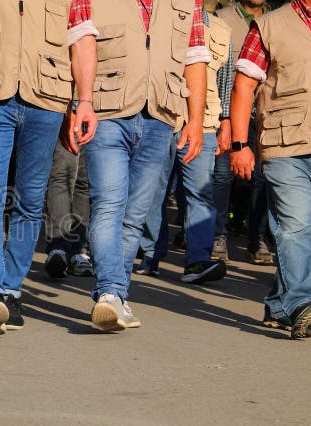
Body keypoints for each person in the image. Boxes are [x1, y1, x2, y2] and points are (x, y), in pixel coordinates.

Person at [0, 0, 98, 336]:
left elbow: (81, 39)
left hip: (46, 99)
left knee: (30, 201)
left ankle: (12, 290)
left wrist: (84, 100)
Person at [85, 0, 211, 332]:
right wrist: (78, 101)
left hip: (160, 116)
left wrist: (195, 121)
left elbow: (196, 57)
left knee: (134, 215)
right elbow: (78, 42)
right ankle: (111, 292)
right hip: (107, 111)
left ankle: (115, 296)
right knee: (109, 205)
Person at [229, 0, 311, 339]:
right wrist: (239, 144)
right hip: (285, 144)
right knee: (294, 226)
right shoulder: (270, 26)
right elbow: (244, 86)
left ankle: (280, 304)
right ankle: (304, 301)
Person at [136, 9, 232, 285]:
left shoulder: (223, 30)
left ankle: (197, 261)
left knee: (200, 192)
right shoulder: (159, 14)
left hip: (204, 123)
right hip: (162, 115)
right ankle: (151, 254)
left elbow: (225, 81)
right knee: (154, 191)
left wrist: (225, 122)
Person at [213, 0, 273, 264]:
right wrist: (222, 117)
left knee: (263, 179)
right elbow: (217, 72)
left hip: (266, 115)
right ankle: (217, 234)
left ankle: (256, 238)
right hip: (230, 112)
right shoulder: (223, 17)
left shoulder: (277, 20)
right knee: (223, 176)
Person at [44, 107, 93, 279]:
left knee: (84, 183)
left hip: (104, 110)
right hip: (68, 107)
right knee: (62, 177)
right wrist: (71, 108)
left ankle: (78, 251)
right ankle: (58, 248)